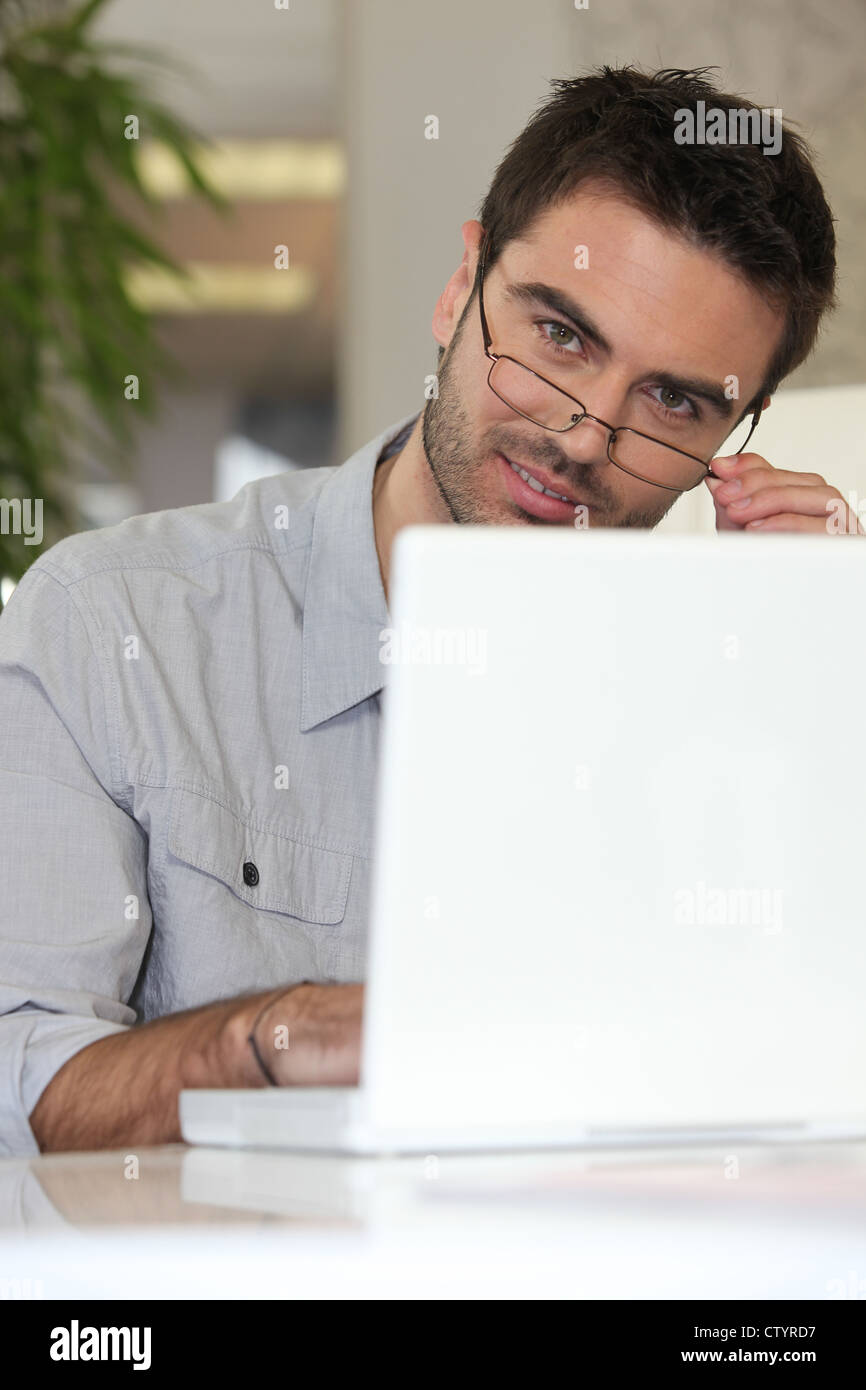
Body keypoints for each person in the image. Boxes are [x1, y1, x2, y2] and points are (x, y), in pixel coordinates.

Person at [0, 65, 858, 1157]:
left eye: (673, 400)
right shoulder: (108, 629)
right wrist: (274, 1036)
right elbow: (16, 1086)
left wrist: (828, 694)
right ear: (461, 287)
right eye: (559, 335)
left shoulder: (731, 681)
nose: (584, 433)